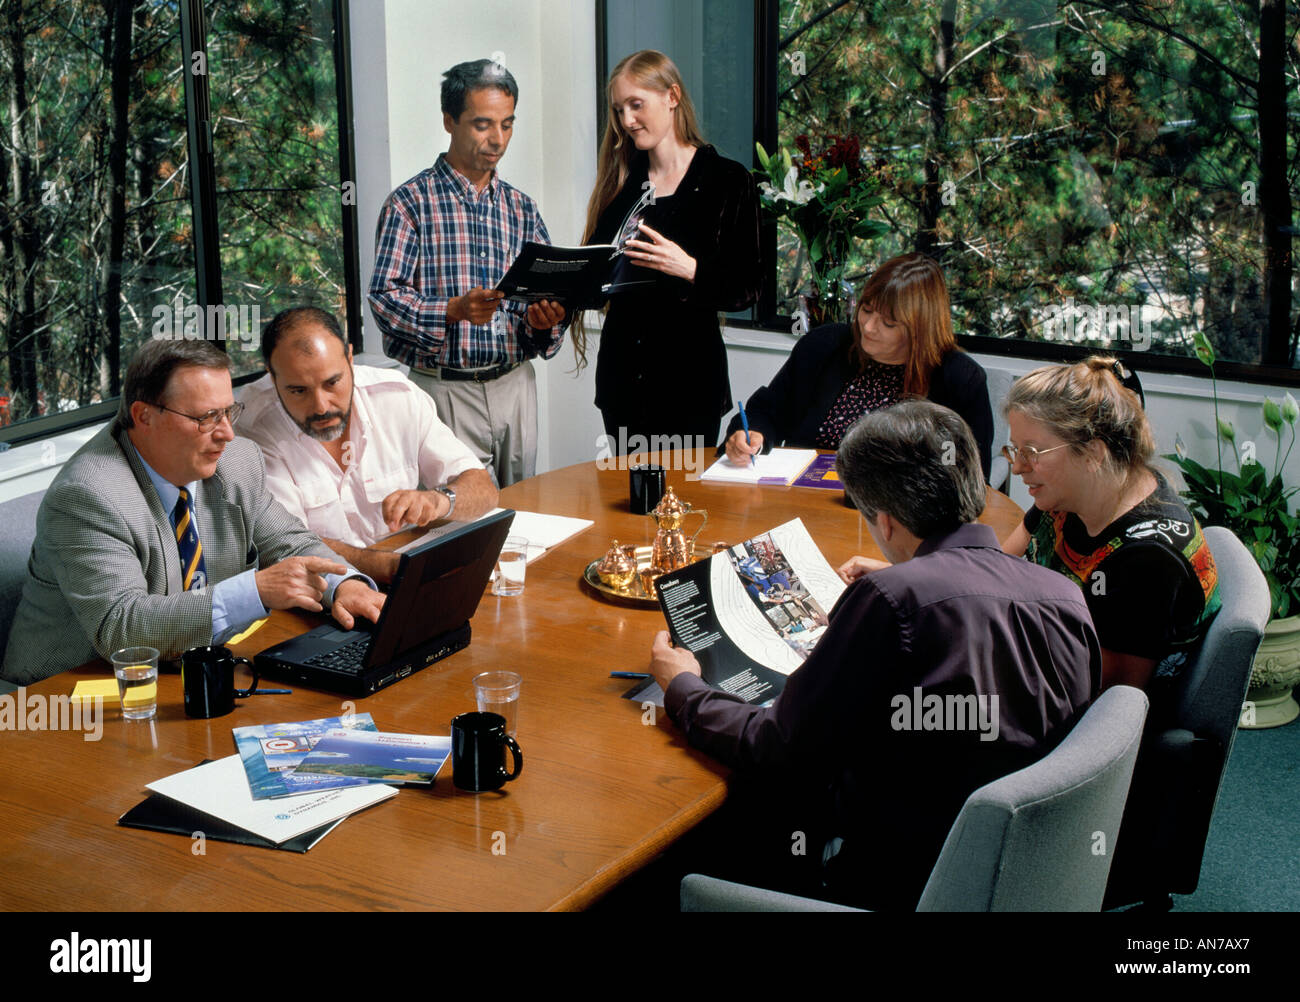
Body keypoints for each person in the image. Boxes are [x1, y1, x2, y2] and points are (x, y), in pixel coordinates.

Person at [648, 399, 1099, 909]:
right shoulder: (1066, 597)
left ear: (883, 522)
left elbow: (778, 750)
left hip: (896, 874)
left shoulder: (892, 601)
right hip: (1023, 870)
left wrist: (683, 687)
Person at [1, 340, 385, 685]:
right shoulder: (89, 496)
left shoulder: (235, 461)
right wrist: (256, 590)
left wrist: (344, 585)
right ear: (144, 416)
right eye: (206, 418)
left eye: (228, 412)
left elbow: (290, 541)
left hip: (183, 672)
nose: (226, 434)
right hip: (70, 696)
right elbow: (122, 628)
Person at [368, 58, 566, 487]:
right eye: (482, 124)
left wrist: (545, 320)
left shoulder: (522, 208)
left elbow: (548, 297)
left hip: (516, 385)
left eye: (508, 124)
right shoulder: (409, 204)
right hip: (444, 391)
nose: (498, 140)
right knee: (459, 525)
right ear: (449, 120)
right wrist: (452, 310)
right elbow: (384, 299)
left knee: (526, 512)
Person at [1000, 356, 1221, 716]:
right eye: (1016, 450)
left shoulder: (1149, 560)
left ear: (1092, 453)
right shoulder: (1068, 494)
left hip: (1086, 724)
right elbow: (997, 570)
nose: (1018, 466)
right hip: (1044, 661)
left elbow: (1105, 704)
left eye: (1032, 452)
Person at [577, 49, 761, 451]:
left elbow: (747, 287)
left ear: (672, 97)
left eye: (636, 105)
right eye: (619, 109)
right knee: (631, 507)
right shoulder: (621, 184)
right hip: (622, 385)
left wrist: (690, 268)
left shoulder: (728, 181)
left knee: (682, 507)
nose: (627, 121)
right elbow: (593, 286)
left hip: (691, 384)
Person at [236, 306, 499, 584]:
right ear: (272, 376)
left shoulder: (397, 396)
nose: (321, 406)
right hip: (321, 590)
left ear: (350, 358)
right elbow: (287, 546)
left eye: (332, 382)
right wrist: (386, 567)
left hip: (407, 572)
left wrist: (440, 500)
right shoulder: (252, 430)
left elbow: (484, 489)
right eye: (298, 390)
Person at [723, 253, 995, 481]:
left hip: (905, 522)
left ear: (920, 331)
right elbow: (767, 412)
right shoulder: (823, 346)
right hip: (806, 501)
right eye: (866, 309)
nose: (868, 326)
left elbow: (970, 477)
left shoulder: (960, 379)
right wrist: (753, 434)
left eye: (888, 323)